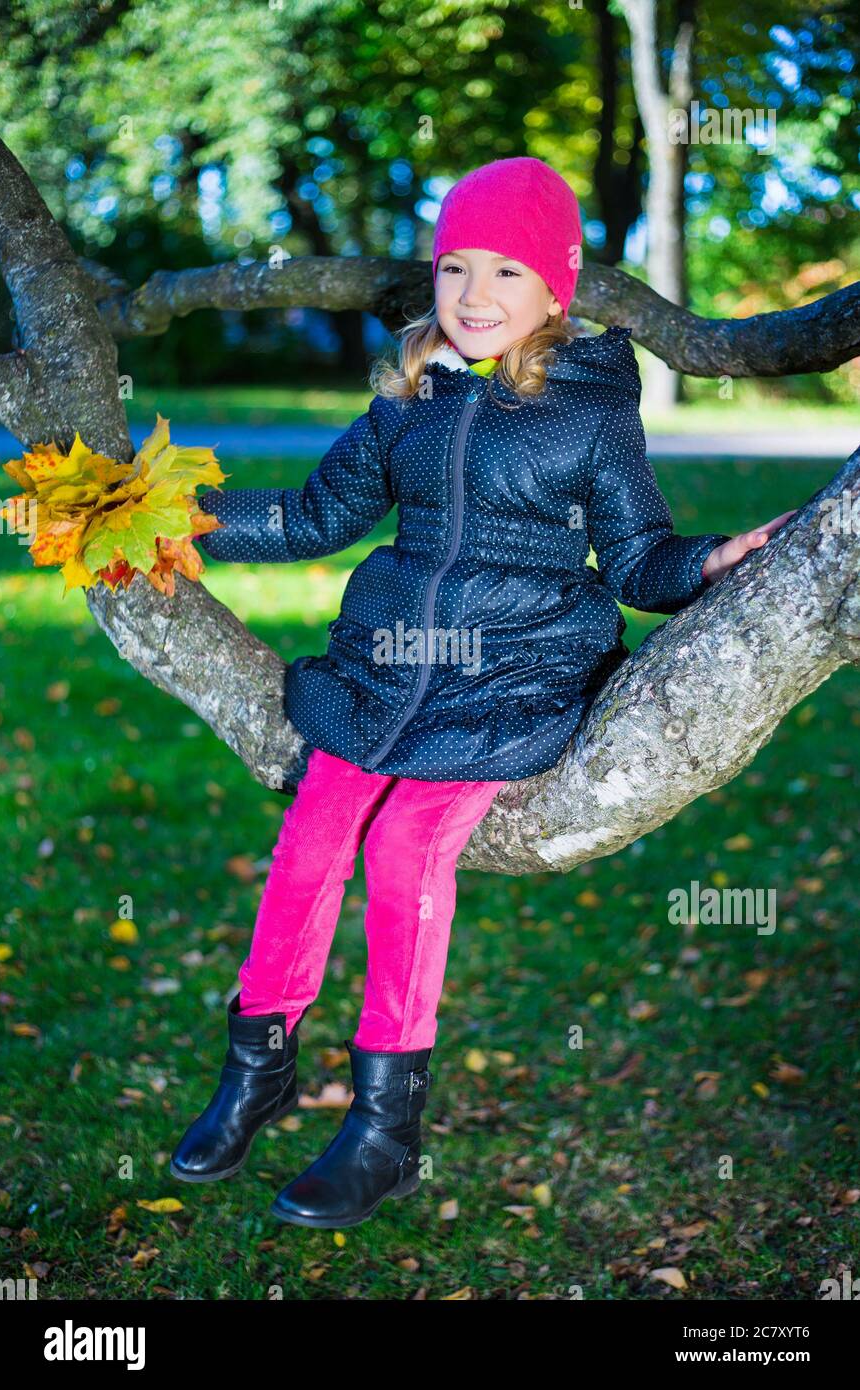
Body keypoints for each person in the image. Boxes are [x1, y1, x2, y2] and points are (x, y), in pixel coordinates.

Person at [168, 156, 795, 1229]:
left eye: (505, 270)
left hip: (511, 672)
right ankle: (258, 1061)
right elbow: (317, 518)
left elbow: (636, 557)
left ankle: (384, 1126)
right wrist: (183, 518)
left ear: (554, 290)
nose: (471, 294)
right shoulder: (403, 402)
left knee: (405, 845)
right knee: (316, 827)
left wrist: (709, 562)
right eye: (454, 265)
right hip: (387, 665)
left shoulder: (587, 416)